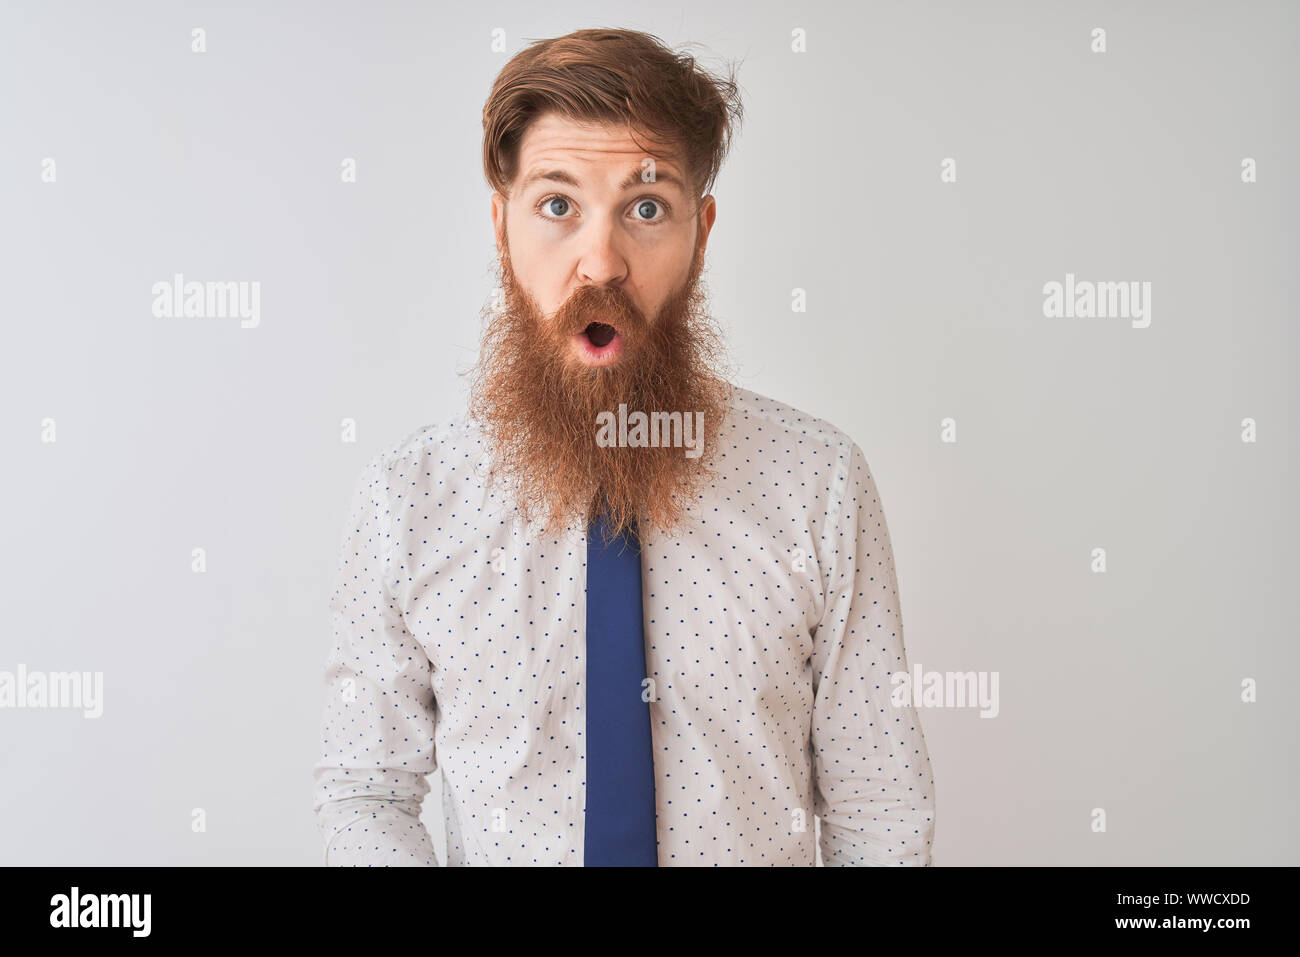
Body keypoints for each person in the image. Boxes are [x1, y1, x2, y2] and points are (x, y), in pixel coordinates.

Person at [312, 27, 935, 866]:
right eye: (558, 206)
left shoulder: (815, 482)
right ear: (502, 229)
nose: (599, 262)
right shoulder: (408, 500)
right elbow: (366, 793)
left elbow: (880, 807)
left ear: (700, 233)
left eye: (646, 208)